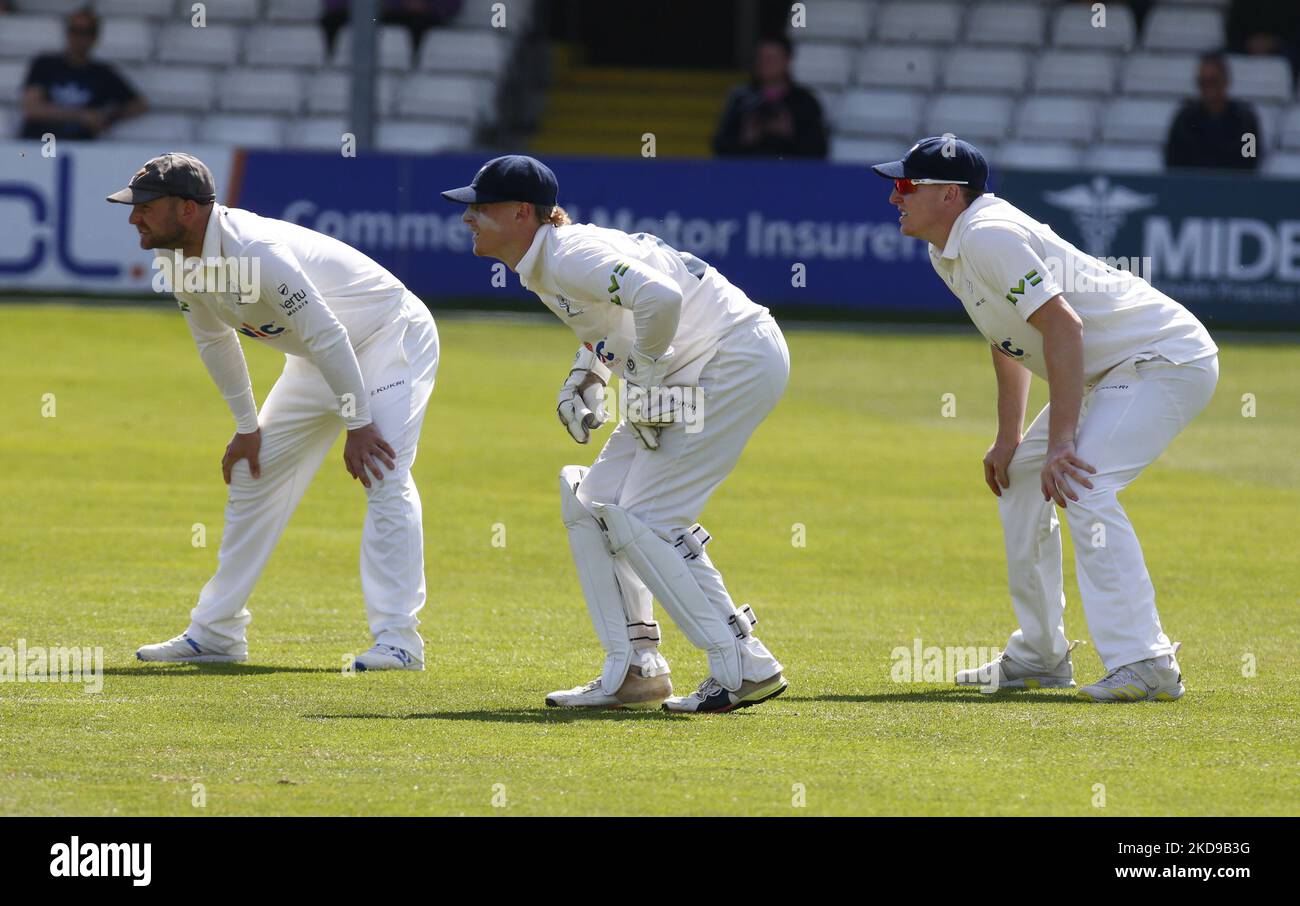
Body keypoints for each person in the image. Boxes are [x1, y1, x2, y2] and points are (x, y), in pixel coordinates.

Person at [872, 136, 1219, 702]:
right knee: (1022, 476)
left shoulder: (987, 236)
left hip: (1165, 359)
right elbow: (1009, 338)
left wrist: (1061, 444)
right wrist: (1011, 438)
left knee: (1082, 482)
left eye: (908, 185)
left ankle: (1146, 661)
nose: (895, 197)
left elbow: (1064, 327)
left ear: (950, 195)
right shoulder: (949, 248)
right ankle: (1040, 654)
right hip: (1108, 370)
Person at [440, 155, 789, 713]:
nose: (469, 219)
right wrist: (587, 376)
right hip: (695, 365)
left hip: (729, 358)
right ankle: (635, 669)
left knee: (649, 517)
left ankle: (744, 663)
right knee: (593, 501)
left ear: (522, 213)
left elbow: (661, 299)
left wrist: (645, 378)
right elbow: (613, 316)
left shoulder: (570, 254)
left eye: (481, 209)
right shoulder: (551, 254)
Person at [110, 153, 439, 671]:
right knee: (252, 472)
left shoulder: (255, 251)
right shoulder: (175, 260)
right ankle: (216, 632)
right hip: (317, 356)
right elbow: (214, 342)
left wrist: (357, 423)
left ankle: (399, 642)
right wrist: (246, 428)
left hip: (386, 336)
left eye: (146, 207)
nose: (135, 218)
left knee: (384, 471)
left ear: (189, 209)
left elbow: (328, 331)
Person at [20, 6, 146, 141]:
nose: (80, 37)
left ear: (95, 36)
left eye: (87, 31)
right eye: (75, 30)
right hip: (38, 145)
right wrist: (82, 116)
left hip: (82, 150)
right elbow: (32, 108)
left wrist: (107, 117)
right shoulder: (45, 65)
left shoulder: (104, 74)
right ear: (67, 33)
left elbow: (138, 105)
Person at [713, 35, 828, 160]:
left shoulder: (805, 102)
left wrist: (788, 134)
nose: (766, 64)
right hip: (748, 172)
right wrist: (746, 138)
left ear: (787, 61)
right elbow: (720, 147)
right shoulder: (740, 99)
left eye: (772, 59)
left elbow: (819, 151)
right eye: (761, 58)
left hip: (792, 173)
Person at [1165, 54, 1262, 172]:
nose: (1207, 88)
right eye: (1202, 82)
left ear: (1226, 81)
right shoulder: (1184, 119)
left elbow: (1250, 162)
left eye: (1213, 81)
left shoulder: (1246, 120)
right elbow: (1173, 162)